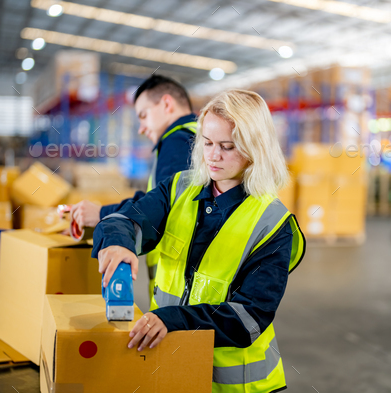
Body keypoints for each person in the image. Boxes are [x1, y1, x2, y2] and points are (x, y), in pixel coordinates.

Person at [92, 89, 306, 392]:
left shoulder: (272, 224)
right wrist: (118, 242)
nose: (213, 156)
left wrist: (175, 319)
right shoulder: (180, 188)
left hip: (238, 386)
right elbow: (127, 219)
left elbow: (250, 317)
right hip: (172, 369)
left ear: (255, 148)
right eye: (207, 143)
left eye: (227, 146)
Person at [72, 75, 197, 306]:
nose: (141, 128)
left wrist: (103, 213)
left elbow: (161, 205)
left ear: (167, 104)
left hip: (182, 289)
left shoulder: (177, 142)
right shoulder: (195, 136)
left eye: (143, 115)